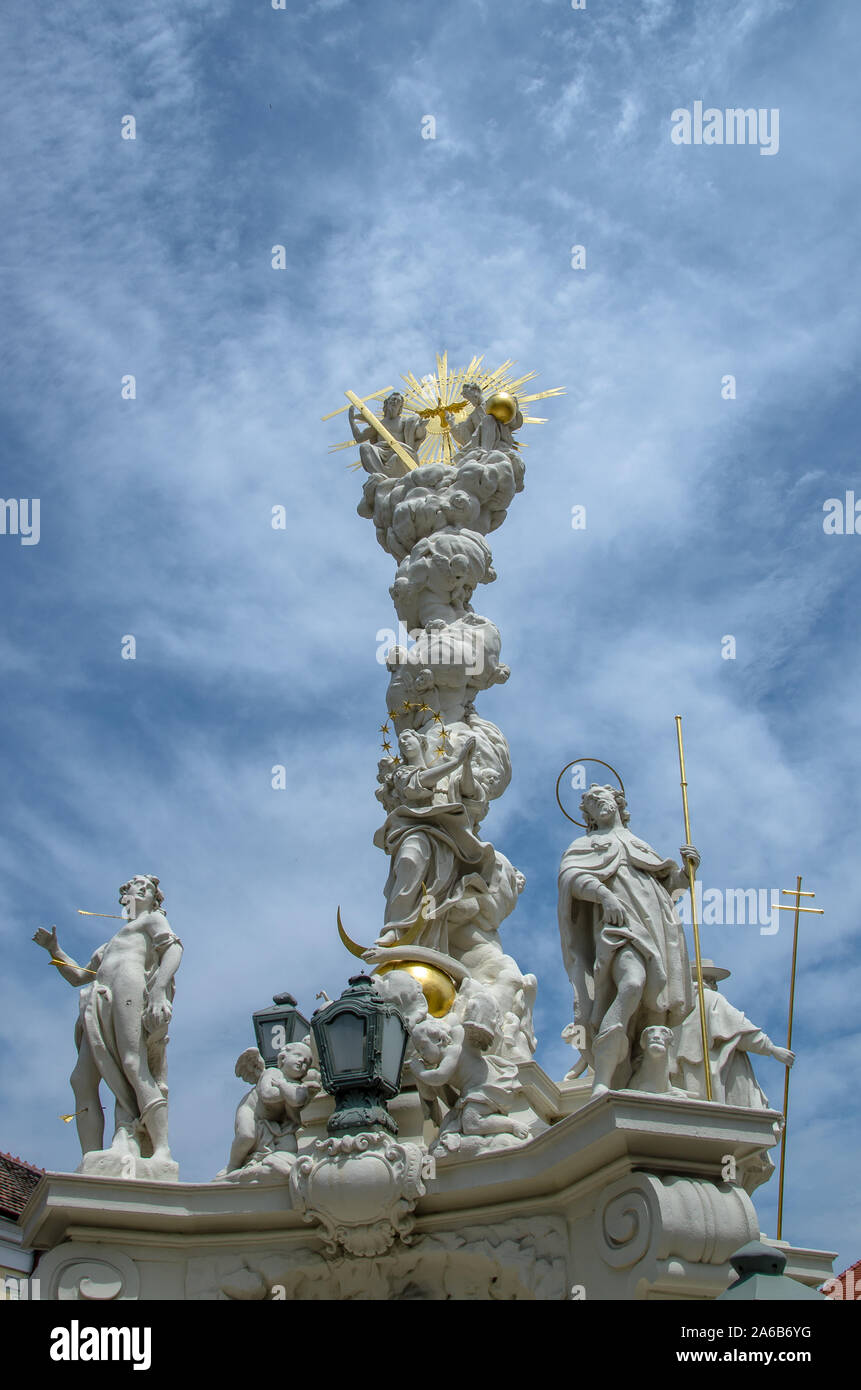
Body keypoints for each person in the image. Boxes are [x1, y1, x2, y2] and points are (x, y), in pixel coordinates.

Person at [33, 874, 182, 1173]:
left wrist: (156, 992)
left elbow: (174, 950)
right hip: (98, 998)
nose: (135, 891)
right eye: (131, 888)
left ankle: (162, 1150)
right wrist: (55, 951)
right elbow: (78, 977)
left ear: (153, 897)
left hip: (129, 987)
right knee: (81, 1079)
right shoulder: (109, 944)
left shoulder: (151, 921)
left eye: (144, 888)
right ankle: (92, 1159)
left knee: (132, 1063)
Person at [557, 784, 697, 1094]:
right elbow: (571, 879)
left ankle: (652, 1080)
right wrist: (605, 895)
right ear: (589, 818)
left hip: (659, 928)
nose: (598, 805)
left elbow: (668, 889)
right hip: (619, 927)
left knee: (655, 1004)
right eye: (591, 804)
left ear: (618, 802)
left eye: (601, 799)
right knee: (631, 983)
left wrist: (686, 875)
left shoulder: (640, 845)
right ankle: (604, 1078)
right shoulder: (587, 844)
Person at [349, 392, 426, 476]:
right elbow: (359, 438)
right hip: (382, 452)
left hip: (400, 452)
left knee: (396, 458)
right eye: (393, 399)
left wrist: (421, 427)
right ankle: (380, 475)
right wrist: (351, 420)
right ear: (387, 402)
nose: (395, 402)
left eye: (398, 401)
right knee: (364, 447)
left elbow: (418, 436)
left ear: (400, 406)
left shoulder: (404, 422)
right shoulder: (378, 425)